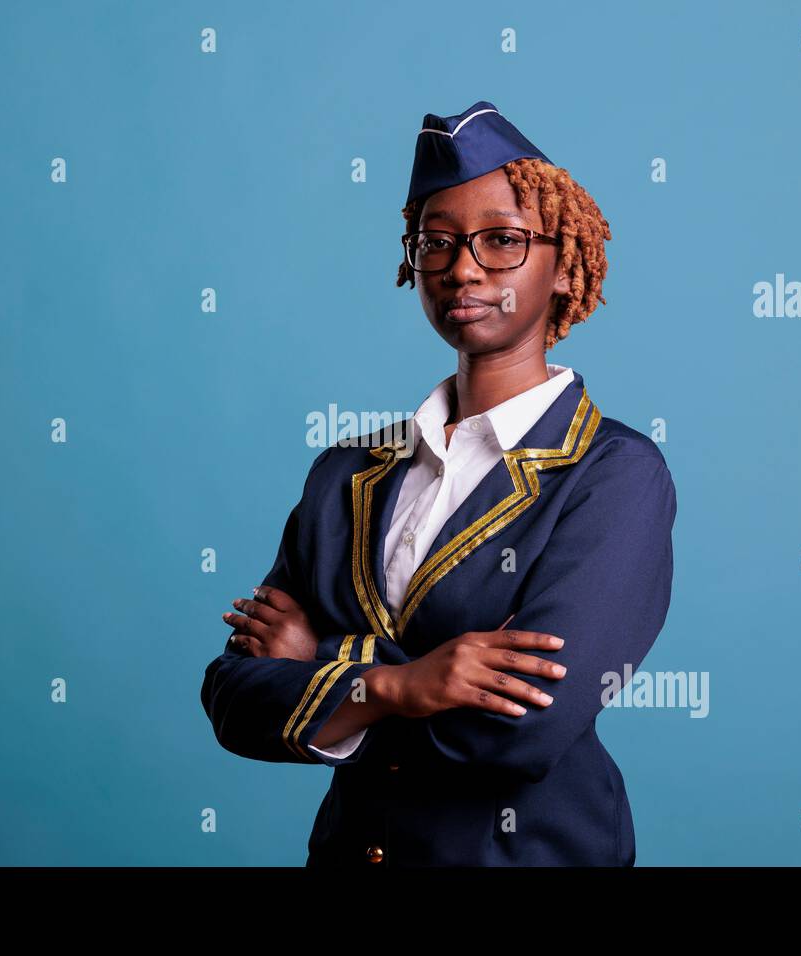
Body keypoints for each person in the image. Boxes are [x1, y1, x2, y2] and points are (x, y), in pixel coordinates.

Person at [200, 100, 677, 866]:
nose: (462, 267)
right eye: (438, 242)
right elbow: (232, 697)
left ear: (564, 265)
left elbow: (519, 730)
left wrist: (323, 668)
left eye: (502, 241)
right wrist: (402, 685)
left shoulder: (614, 475)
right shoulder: (346, 472)